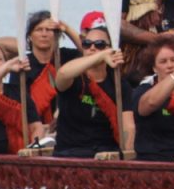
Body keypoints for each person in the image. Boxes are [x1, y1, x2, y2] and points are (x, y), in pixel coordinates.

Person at [51, 16, 130, 158]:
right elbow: (62, 74)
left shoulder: (118, 83)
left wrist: (127, 155)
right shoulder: (75, 75)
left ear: (110, 49)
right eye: (87, 44)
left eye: (99, 44)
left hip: (106, 154)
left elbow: (128, 125)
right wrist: (100, 56)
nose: (92, 48)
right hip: (71, 152)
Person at [129, 34, 174, 162]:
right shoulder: (144, 89)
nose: (170, 65)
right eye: (163, 62)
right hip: (151, 162)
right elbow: (150, 103)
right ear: (154, 67)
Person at [21, 10, 83, 125]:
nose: (44, 34)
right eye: (39, 30)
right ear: (30, 35)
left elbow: (88, 52)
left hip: (66, 124)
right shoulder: (23, 64)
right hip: (34, 125)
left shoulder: (65, 57)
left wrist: (66, 29)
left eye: (49, 30)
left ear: (56, 35)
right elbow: (18, 102)